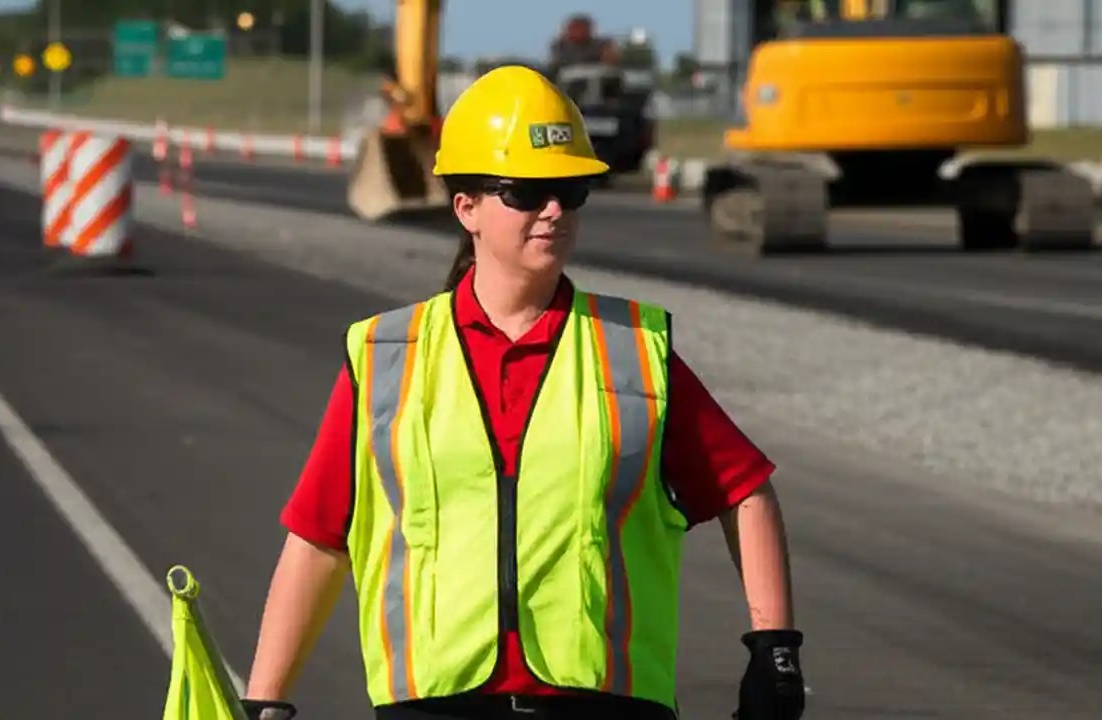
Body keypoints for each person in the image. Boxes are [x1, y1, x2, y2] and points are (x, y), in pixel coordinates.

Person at [239, 65, 806, 720]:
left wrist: (775, 649)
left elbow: (744, 490)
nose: (554, 210)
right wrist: (266, 699)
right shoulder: (385, 358)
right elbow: (319, 537)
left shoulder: (632, 352)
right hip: (434, 707)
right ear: (466, 208)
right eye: (528, 192)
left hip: (602, 706)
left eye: (570, 190)